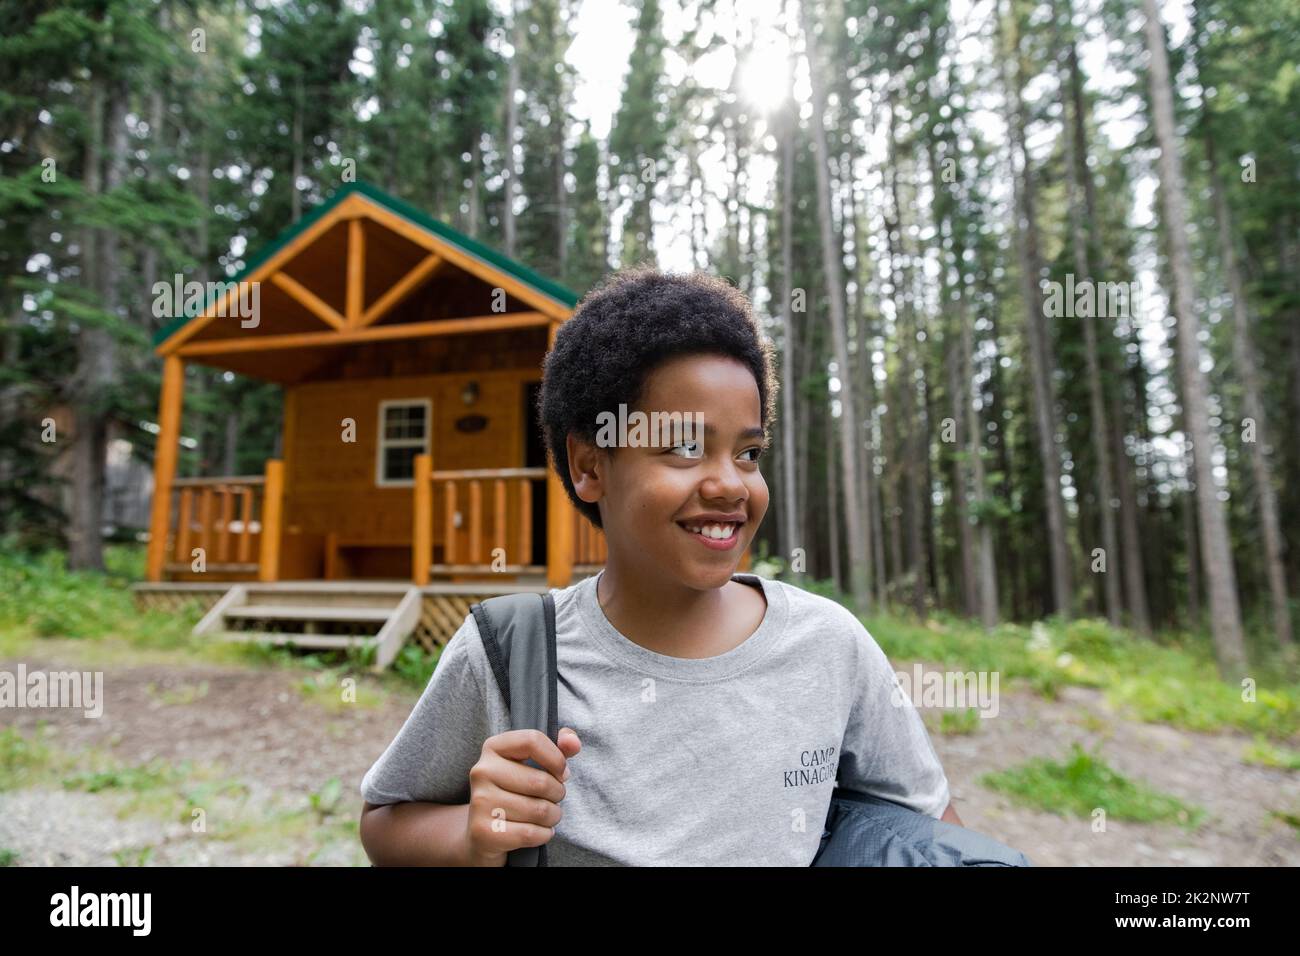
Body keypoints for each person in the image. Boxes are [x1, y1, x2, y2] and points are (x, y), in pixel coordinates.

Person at [358, 264, 960, 866]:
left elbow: (931, 828)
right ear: (590, 466)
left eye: (748, 453)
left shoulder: (829, 645)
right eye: (684, 447)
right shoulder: (511, 651)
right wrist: (471, 832)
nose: (730, 483)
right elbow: (385, 824)